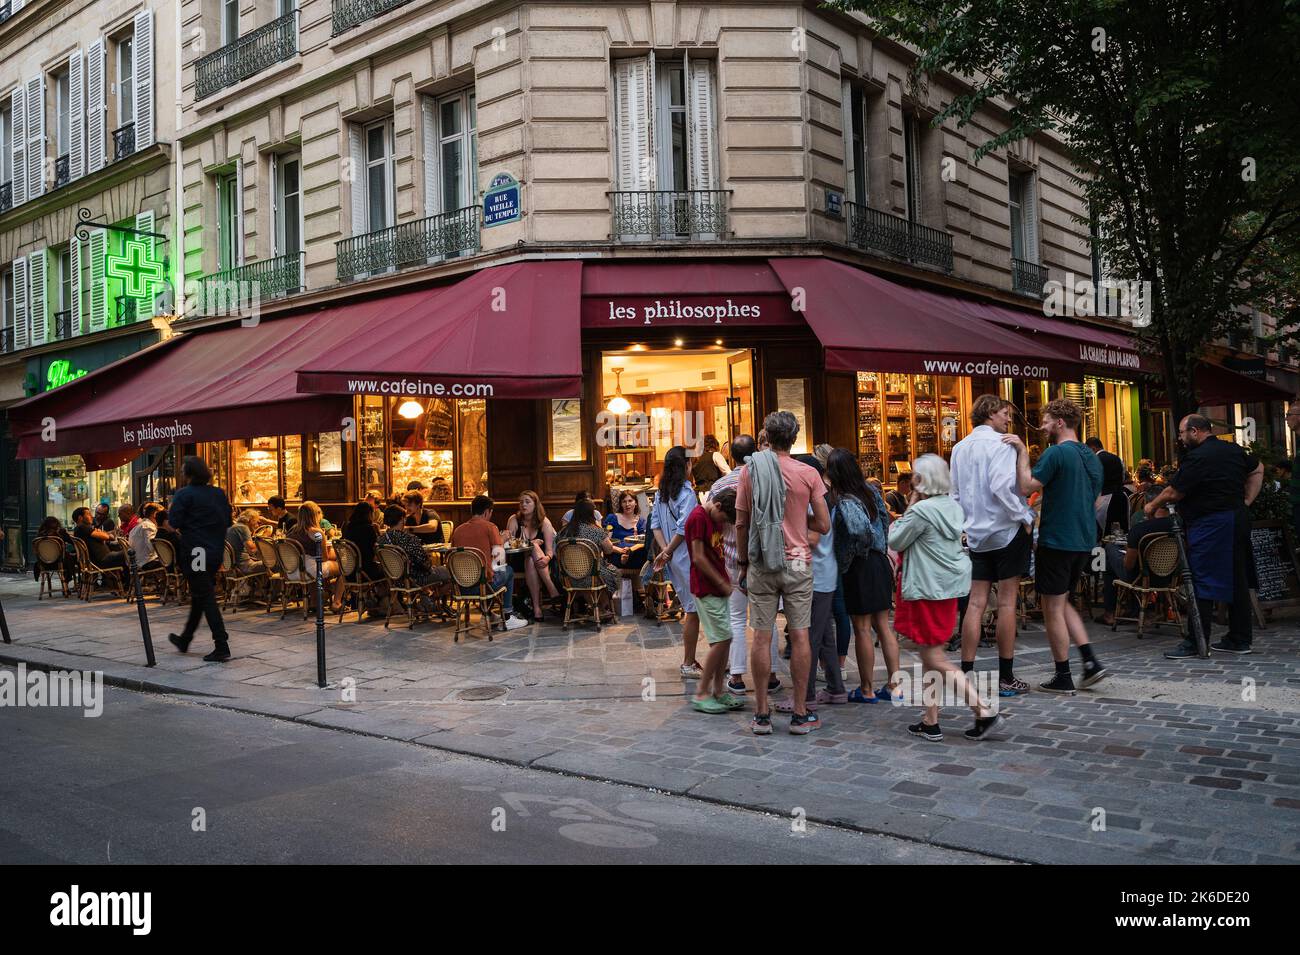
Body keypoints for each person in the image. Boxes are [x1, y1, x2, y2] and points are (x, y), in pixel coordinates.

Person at [889, 454, 1004, 741]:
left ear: (922, 481)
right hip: (945, 589)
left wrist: (913, 503)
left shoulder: (920, 511)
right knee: (931, 656)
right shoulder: (951, 507)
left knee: (934, 655)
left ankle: (983, 708)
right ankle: (931, 719)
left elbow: (895, 539)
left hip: (926, 588)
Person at [1003, 398, 1108, 693]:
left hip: (1057, 539)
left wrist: (1022, 451)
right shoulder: (1092, 457)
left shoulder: (1056, 454)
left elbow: (1026, 487)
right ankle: (1089, 661)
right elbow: (1097, 499)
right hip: (1084, 539)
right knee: (1062, 602)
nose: (1043, 425)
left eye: (1047, 420)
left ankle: (1063, 675)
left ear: (1060, 423)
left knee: (1051, 606)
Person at [735, 411, 830, 736]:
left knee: (761, 635)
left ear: (766, 436)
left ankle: (762, 714)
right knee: (800, 634)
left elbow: (742, 522)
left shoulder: (751, 471)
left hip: (762, 559)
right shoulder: (808, 474)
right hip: (799, 560)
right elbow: (825, 524)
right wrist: (799, 523)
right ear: (794, 438)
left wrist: (744, 564)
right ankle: (800, 714)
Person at [1144, 414, 1264, 656]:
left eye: (1181, 432)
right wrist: (1247, 501)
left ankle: (1196, 641)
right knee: (1237, 577)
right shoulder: (1232, 450)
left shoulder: (1198, 457)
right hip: (1236, 518)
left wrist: (1151, 506)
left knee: (1201, 580)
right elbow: (1258, 469)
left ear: (1196, 431)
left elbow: (1174, 492)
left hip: (1212, 522)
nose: (1180, 437)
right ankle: (1239, 639)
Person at [950, 394, 1035, 696]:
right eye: (1004, 414)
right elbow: (1002, 487)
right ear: (989, 414)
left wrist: (964, 527)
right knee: (1008, 602)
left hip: (975, 536)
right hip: (1006, 532)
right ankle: (1006, 676)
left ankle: (967, 673)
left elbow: (955, 494)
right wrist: (1024, 515)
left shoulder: (959, 448)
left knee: (975, 603)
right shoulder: (1003, 445)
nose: (1008, 420)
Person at [826, 448, 902, 704]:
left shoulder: (846, 500)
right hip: (879, 562)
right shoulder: (870, 491)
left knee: (861, 628)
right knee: (883, 626)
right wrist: (880, 546)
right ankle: (894, 685)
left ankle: (867, 688)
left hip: (861, 566)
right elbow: (884, 522)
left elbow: (861, 531)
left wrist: (850, 556)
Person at [710, 435, 782, 697]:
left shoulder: (720, 484)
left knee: (737, 618)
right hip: (765, 559)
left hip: (732, 560)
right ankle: (772, 675)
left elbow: (715, 521)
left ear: (732, 458)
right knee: (767, 619)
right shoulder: (768, 478)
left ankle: (737, 676)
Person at [788, 454, 847, 713]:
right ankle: (836, 688)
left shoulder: (813, 500)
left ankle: (807, 695)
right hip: (825, 573)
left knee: (807, 637)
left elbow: (812, 539)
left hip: (816, 574)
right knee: (824, 637)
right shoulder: (824, 497)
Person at [167, 457, 234, 662]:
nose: (180, 475)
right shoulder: (218, 493)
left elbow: (174, 522)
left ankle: (221, 644)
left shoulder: (184, 494)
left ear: (189, 473)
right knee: (200, 594)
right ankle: (185, 639)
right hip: (215, 551)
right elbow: (228, 521)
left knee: (204, 596)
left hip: (196, 551)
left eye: (182, 471)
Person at [685, 488, 742, 714]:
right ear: (717, 506)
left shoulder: (711, 517)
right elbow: (698, 557)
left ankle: (718, 690)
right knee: (720, 640)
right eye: (725, 518)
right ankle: (702, 692)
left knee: (724, 639)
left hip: (717, 586)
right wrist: (720, 583)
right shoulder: (698, 517)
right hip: (707, 587)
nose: (724, 523)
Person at [651, 447, 704, 678]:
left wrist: (664, 551)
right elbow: (684, 528)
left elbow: (655, 525)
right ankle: (689, 662)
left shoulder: (661, 493)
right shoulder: (687, 493)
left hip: (674, 559)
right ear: (686, 465)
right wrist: (669, 551)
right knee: (694, 610)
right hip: (687, 557)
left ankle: (697, 660)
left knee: (693, 608)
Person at [451, 495, 529, 630]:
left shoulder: (458, 530)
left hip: (461, 586)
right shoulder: (489, 527)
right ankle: (508, 616)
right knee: (507, 570)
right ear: (487, 511)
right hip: (483, 586)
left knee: (487, 573)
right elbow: (500, 559)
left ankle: (487, 613)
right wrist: (502, 538)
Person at [1098, 489, 1174, 626]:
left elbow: (1128, 565)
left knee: (1109, 551)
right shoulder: (1179, 526)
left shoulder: (1140, 529)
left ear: (1148, 504)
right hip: (1170, 578)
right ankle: (1138, 609)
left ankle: (1111, 611)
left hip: (1141, 578)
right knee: (1112, 562)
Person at [555, 499, 622, 613]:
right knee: (615, 573)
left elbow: (557, 549)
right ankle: (600, 608)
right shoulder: (596, 531)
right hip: (593, 576)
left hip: (569, 578)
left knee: (587, 576)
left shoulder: (563, 532)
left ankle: (594, 607)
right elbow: (609, 550)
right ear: (591, 513)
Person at [507, 490, 561, 622]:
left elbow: (549, 551)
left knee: (531, 559)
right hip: (518, 559)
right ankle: (551, 588)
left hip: (541, 562)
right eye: (521, 502)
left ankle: (537, 609)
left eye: (527, 502)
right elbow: (508, 543)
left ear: (535, 504)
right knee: (533, 547)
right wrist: (531, 544)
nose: (523, 505)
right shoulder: (514, 519)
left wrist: (547, 558)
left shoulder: (544, 522)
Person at [289, 501, 345, 613]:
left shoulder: (292, 531)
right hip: (310, 570)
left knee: (317, 568)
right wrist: (338, 554)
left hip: (292, 570)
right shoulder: (316, 533)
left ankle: (315, 602)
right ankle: (336, 602)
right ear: (314, 515)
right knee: (344, 568)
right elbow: (324, 558)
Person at [380, 506, 450, 590]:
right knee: (451, 571)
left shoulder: (381, 540)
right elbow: (425, 563)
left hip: (394, 580)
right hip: (416, 579)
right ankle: (432, 597)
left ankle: (426, 596)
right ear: (402, 519)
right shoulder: (408, 539)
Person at [603, 490, 648, 611]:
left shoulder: (641, 521)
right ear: (620, 504)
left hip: (635, 556)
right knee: (623, 551)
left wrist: (630, 550)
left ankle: (628, 555)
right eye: (624, 501)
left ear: (636, 503)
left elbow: (644, 541)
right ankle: (625, 556)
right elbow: (606, 540)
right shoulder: (612, 518)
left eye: (630, 501)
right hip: (616, 553)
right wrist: (620, 551)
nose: (627, 504)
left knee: (641, 550)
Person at [1086, 436, 1130, 534]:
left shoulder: (1094, 460)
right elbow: (1123, 477)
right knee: (1122, 529)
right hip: (1121, 496)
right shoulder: (1117, 458)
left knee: (1105, 530)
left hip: (1104, 498)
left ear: (1093, 448)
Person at [71, 506, 126, 570]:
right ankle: (129, 579)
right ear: (80, 518)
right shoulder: (82, 528)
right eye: (88, 514)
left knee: (123, 551)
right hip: (103, 560)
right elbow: (107, 537)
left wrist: (100, 533)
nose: (91, 516)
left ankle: (114, 579)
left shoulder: (79, 529)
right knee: (129, 553)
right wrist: (104, 534)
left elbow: (103, 535)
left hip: (100, 560)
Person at [343, 501, 383, 584]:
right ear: (369, 514)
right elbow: (377, 549)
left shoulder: (347, 527)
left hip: (349, 571)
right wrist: (378, 532)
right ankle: (384, 596)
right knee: (389, 569)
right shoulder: (369, 529)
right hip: (365, 571)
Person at [35, 515, 78, 582]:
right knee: (72, 557)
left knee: (68, 557)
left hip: (44, 564)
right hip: (59, 563)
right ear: (57, 524)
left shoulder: (39, 537)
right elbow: (73, 542)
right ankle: (69, 581)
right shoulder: (60, 533)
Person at [225, 509, 264, 574]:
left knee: (266, 563)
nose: (257, 525)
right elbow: (252, 550)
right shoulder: (243, 528)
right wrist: (263, 539)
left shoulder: (233, 527)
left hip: (232, 567)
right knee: (275, 564)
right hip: (244, 566)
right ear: (251, 520)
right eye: (257, 522)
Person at [129, 503, 163, 572]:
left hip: (138, 561)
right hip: (146, 562)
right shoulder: (148, 527)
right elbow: (153, 547)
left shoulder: (141, 525)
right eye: (161, 515)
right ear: (155, 514)